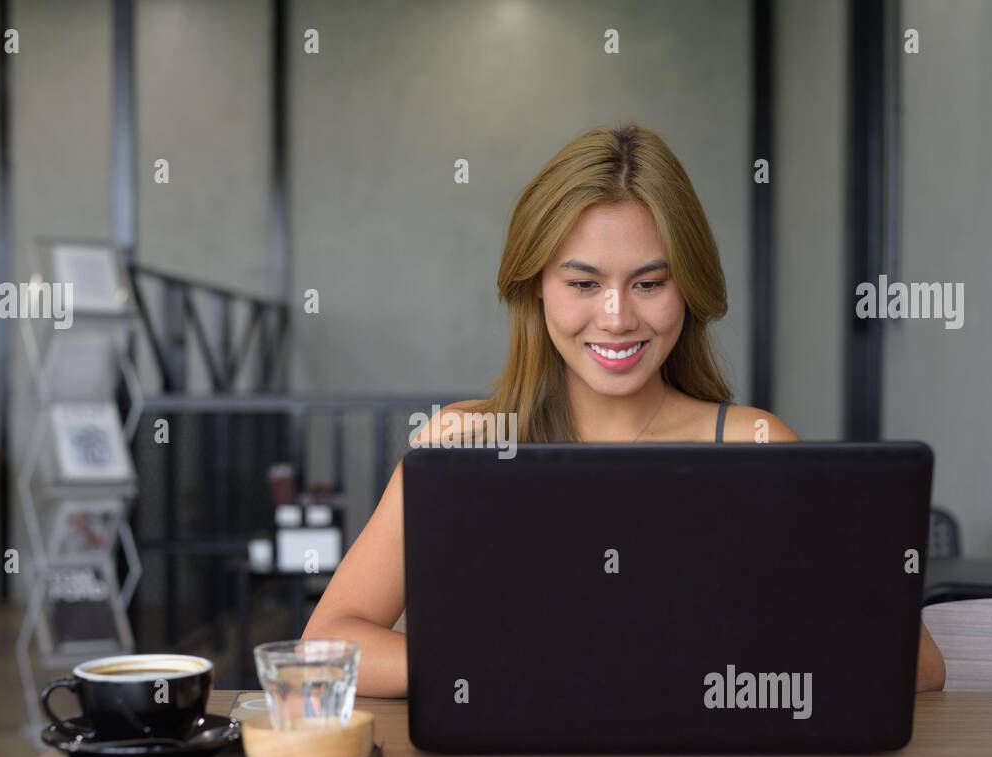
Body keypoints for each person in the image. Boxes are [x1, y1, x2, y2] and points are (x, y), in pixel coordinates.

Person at [302, 122, 946, 697]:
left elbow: (915, 663)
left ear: (688, 288)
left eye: (649, 283)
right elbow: (326, 645)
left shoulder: (754, 444)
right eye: (583, 283)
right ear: (535, 288)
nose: (616, 318)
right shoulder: (466, 442)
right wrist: (511, 668)